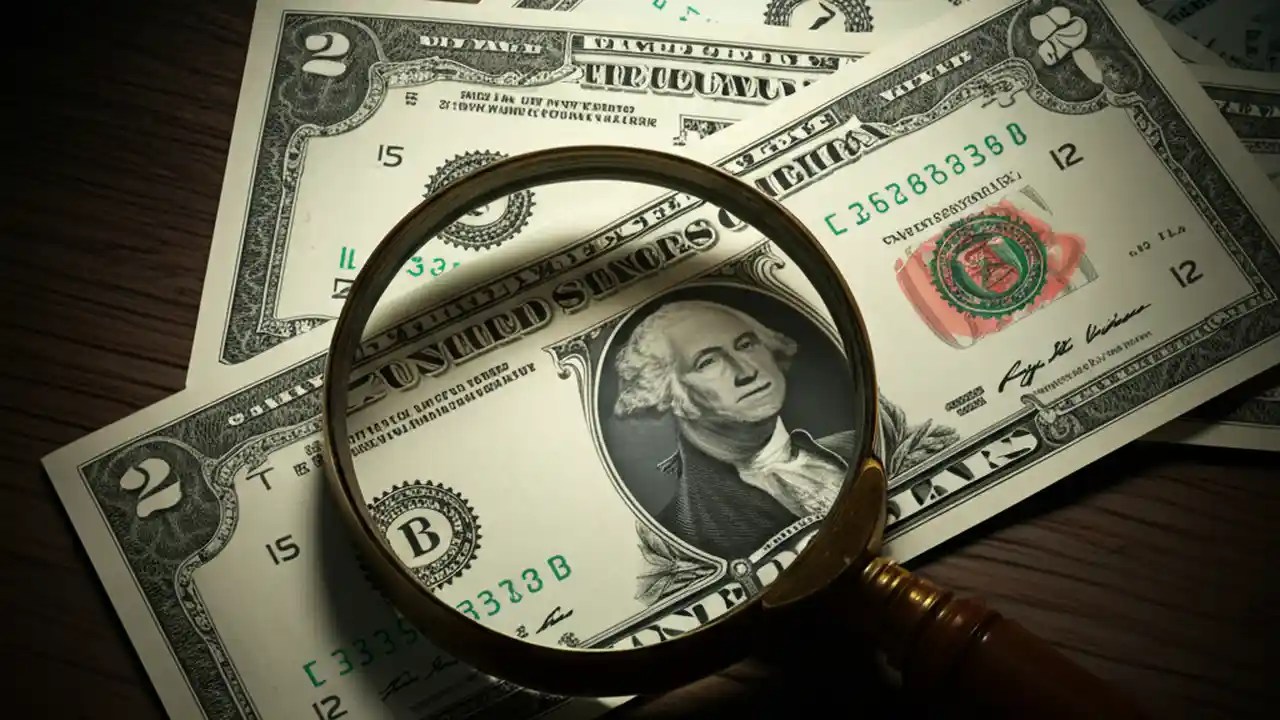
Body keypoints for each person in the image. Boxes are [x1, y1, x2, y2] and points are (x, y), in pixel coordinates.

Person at [612, 299, 855, 559]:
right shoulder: (682, 536)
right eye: (707, 362)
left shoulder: (851, 447)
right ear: (669, 392)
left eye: (746, 345)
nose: (747, 371)